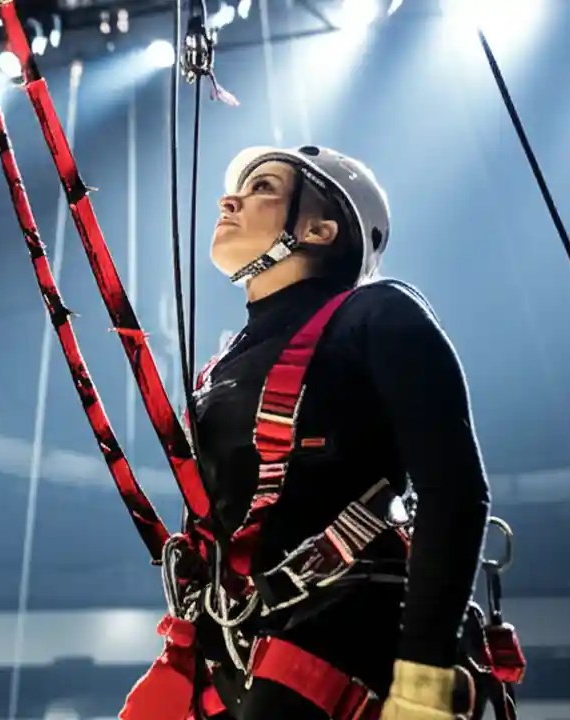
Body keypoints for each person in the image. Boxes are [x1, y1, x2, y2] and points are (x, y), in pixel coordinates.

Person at [159, 145, 493, 720]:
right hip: (239, 650)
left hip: (348, 628)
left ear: (319, 229)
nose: (229, 198)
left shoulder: (377, 317)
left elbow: (455, 494)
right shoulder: (219, 368)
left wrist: (423, 684)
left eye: (263, 187)